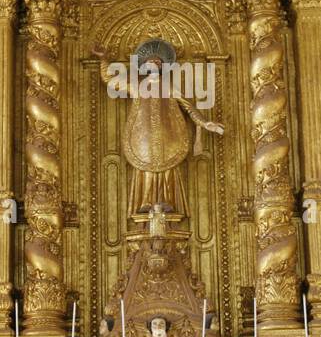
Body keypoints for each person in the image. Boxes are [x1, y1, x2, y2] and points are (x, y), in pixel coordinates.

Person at [93, 42, 223, 220]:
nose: (154, 64)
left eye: (158, 62)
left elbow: (189, 108)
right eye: (151, 62)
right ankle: (145, 203)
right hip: (143, 138)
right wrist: (103, 58)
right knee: (145, 166)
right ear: (144, 66)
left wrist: (205, 123)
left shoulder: (169, 88)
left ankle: (166, 201)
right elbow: (110, 80)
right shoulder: (136, 85)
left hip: (167, 137)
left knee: (167, 165)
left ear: (162, 67)